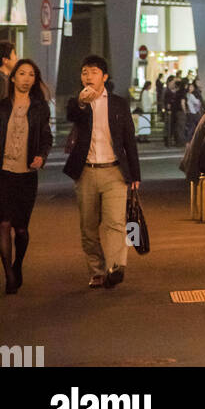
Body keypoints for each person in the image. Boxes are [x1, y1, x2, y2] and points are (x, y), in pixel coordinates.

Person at [64, 55, 141, 290]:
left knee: (116, 223)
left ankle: (116, 267)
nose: (88, 76)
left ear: (104, 77)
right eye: (85, 72)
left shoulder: (118, 103)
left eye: (94, 72)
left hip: (114, 171)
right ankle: (97, 270)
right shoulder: (77, 103)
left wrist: (135, 175)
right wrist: (81, 102)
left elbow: (129, 139)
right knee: (88, 226)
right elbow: (72, 116)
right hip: (86, 172)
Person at [0, 58, 52, 293]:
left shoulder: (40, 108)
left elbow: (47, 137)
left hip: (26, 175)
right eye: (22, 73)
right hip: (3, 173)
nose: (27, 78)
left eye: (31, 74)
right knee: (3, 224)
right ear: (13, 78)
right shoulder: (2, 106)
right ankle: (9, 276)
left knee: (21, 229)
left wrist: (41, 155)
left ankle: (18, 264)